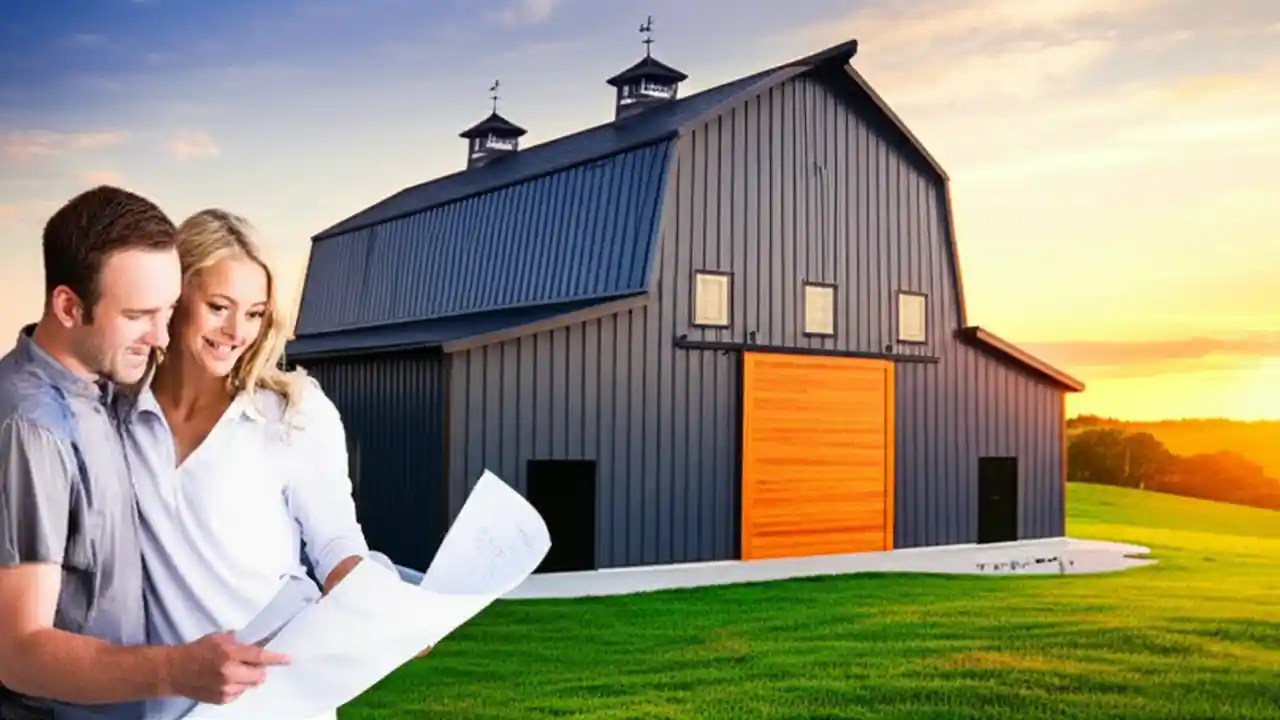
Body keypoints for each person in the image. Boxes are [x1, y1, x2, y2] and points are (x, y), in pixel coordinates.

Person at [0, 186, 290, 719]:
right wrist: (177, 670)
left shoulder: (106, 391)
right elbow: (17, 653)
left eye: (169, 310)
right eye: (138, 315)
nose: (160, 336)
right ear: (68, 305)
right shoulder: (32, 427)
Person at [114, 209, 391, 720]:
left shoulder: (292, 412)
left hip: (278, 701)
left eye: (255, 313)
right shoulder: (116, 415)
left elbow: (335, 545)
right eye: (219, 306)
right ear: (175, 298)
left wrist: (390, 615)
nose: (235, 331)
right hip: (163, 706)